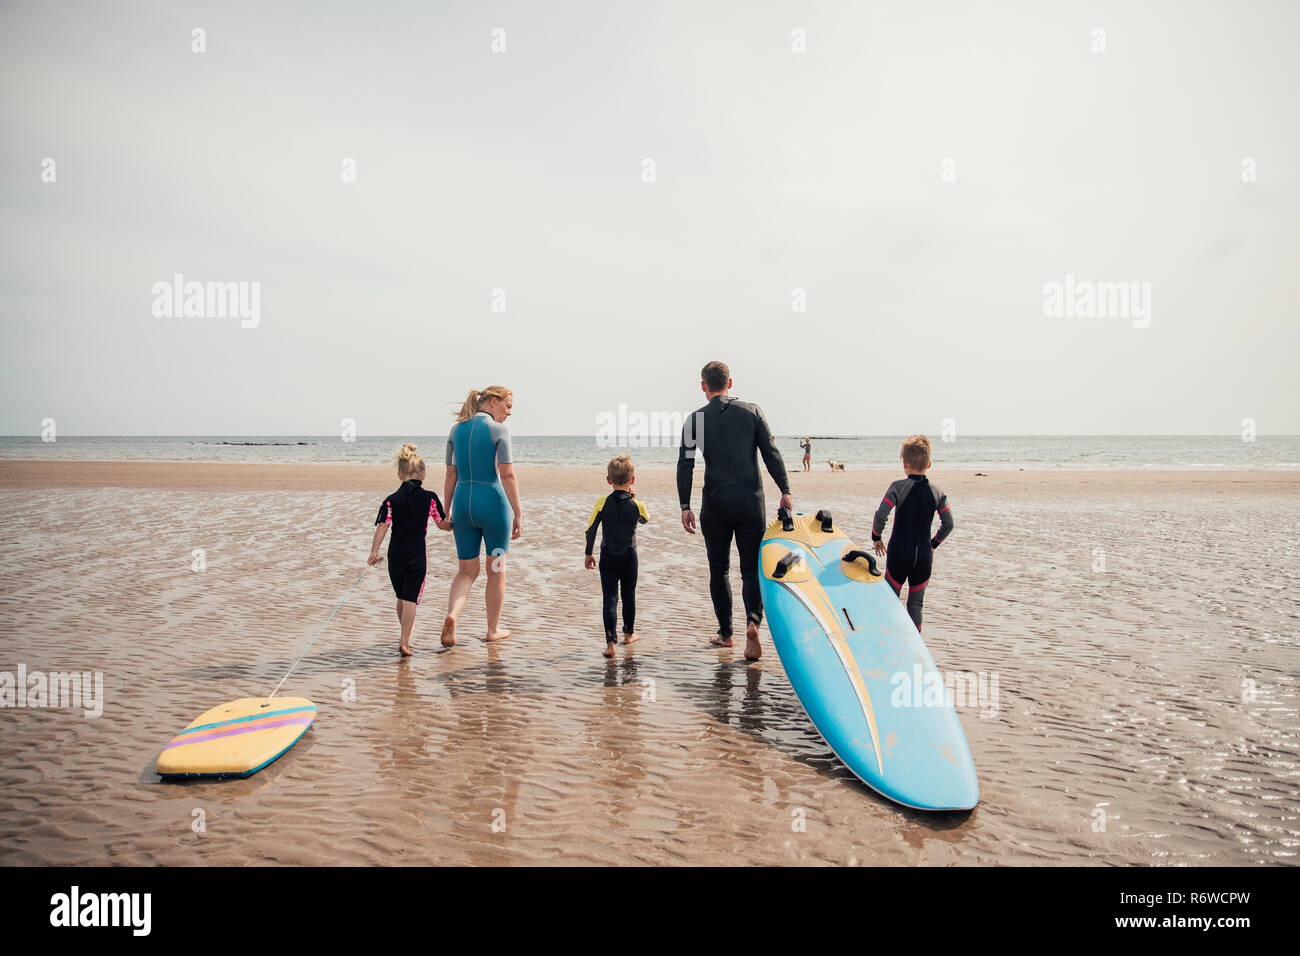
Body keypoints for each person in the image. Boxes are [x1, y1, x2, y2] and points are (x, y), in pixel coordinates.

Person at [678, 361, 793, 661]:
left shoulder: (694, 421)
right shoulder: (752, 412)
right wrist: (785, 490)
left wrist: (685, 505)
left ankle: (725, 633)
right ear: (730, 382)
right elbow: (771, 453)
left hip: (714, 505)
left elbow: (685, 465)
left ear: (703, 386)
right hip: (750, 503)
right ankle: (752, 622)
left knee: (719, 570)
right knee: (750, 570)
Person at [441, 386, 522, 646]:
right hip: (493, 505)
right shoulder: (499, 431)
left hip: (463, 504)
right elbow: (507, 475)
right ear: (492, 401)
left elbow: (450, 474)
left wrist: (446, 509)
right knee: (496, 570)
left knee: (466, 571)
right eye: (507, 406)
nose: (510, 412)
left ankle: (453, 615)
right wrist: (518, 514)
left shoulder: (456, 430)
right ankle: (492, 630)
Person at [368, 443, 451, 656]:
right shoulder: (430, 497)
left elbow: (383, 526)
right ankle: (404, 641)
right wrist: (457, 524)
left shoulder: (391, 500)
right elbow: (442, 524)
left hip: (395, 556)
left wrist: (374, 552)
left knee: (401, 597)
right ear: (423, 474)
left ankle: (405, 635)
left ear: (399, 474)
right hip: (416, 556)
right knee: (411, 599)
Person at [871, 434, 954, 632]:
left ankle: (888, 638)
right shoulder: (938, 492)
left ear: (904, 463)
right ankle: (914, 646)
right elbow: (949, 523)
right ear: (929, 464)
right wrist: (933, 544)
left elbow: (881, 514)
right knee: (916, 604)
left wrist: (876, 536)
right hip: (924, 556)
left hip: (899, 553)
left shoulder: (897, 487)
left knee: (890, 600)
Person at [583, 454, 650, 658]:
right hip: (630, 557)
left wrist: (588, 553)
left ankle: (611, 643)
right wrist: (634, 498)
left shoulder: (602, 503)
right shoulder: (637, 505)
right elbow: (645, 520)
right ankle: (628, 634)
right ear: (633, 479)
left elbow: (591, 530)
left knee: (610, 598)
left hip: (608, 557)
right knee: (629, 595)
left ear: (608, 480)